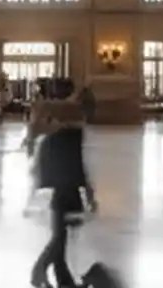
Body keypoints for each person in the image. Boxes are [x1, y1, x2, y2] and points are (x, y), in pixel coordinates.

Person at [31, 123, 96, 288]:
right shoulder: (71, 137)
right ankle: (40, 270)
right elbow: (78, 167)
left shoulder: (59, 137)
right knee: (60, 238)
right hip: (67, 191)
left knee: (61, 236)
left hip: (62, 190)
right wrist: (89, 195)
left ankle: (62, 280)